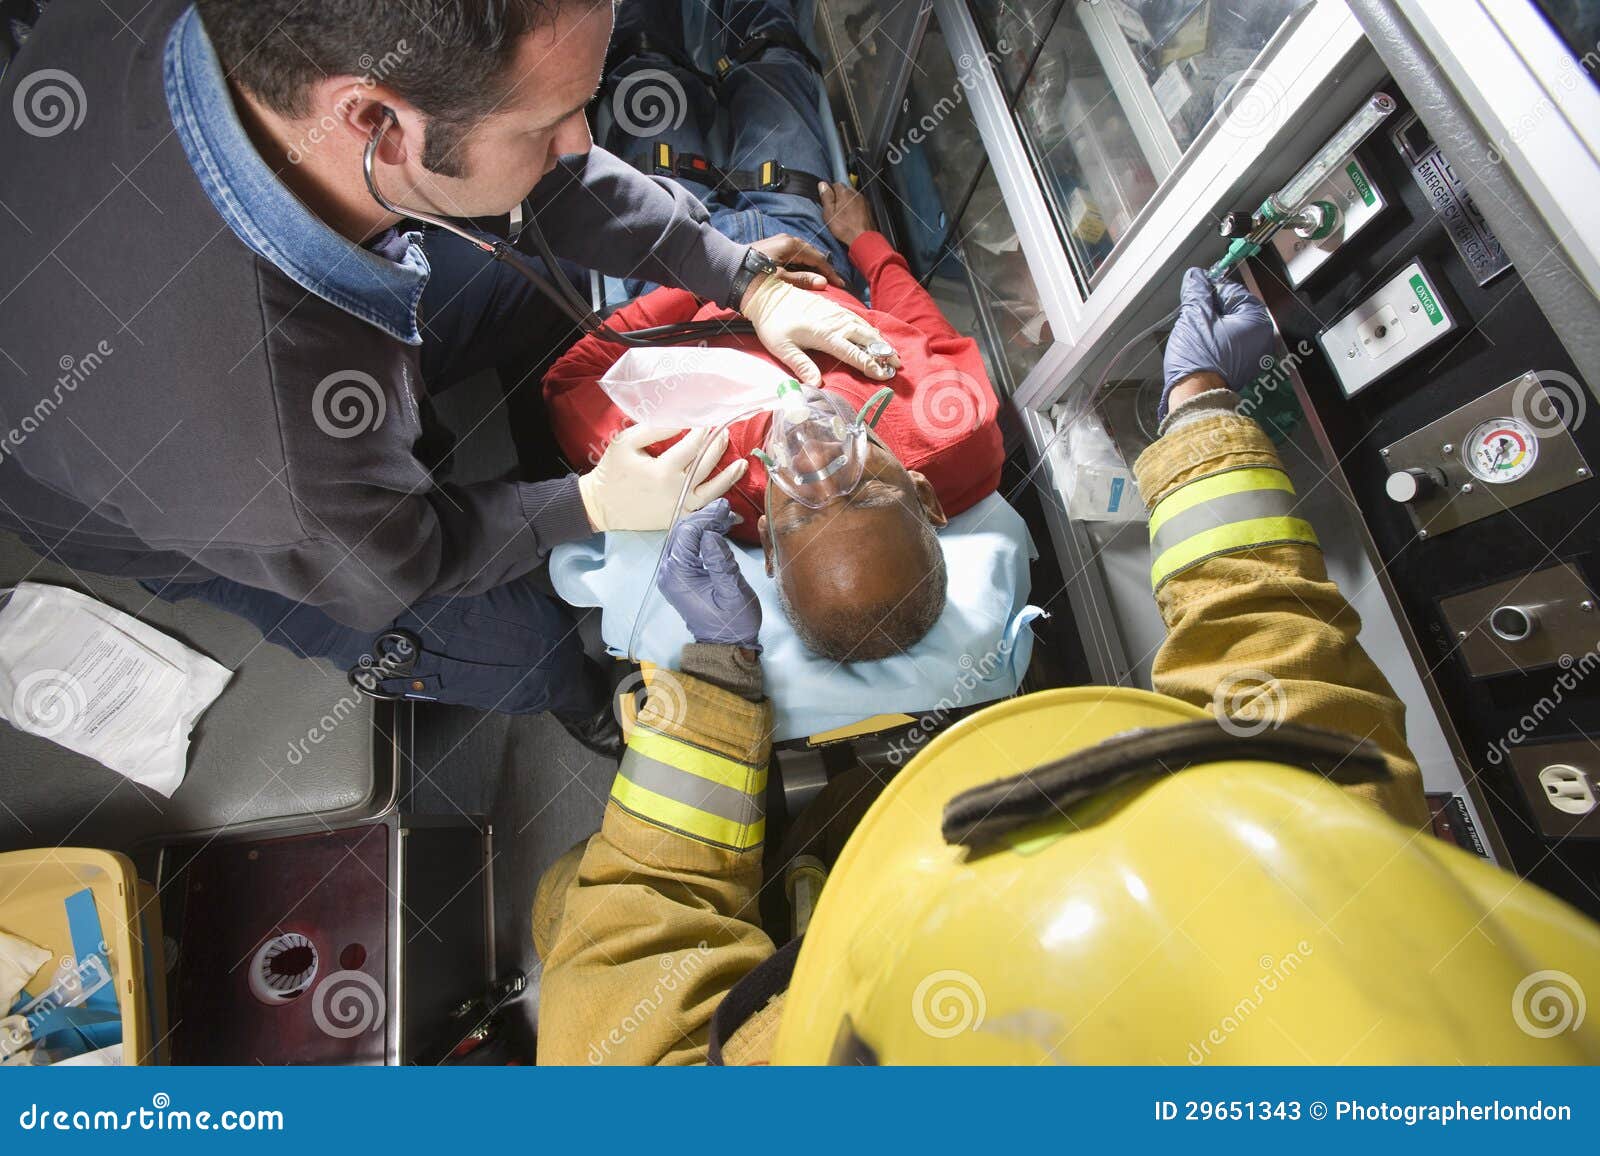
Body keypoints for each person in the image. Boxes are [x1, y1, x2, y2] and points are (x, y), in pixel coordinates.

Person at [529, 271, 1600, 1064]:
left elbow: (630, 948)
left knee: (562, 893)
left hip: (838, 913)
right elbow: (1291, 695)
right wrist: (1198, 412)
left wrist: (710, 679)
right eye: (816, 494)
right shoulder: (1405, 982)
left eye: (830, 491)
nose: (816, 458)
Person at [0, 0, 897, 751]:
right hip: (153, 486)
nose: (582, 141)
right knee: (523, 641)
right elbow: (393, 565)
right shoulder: (266, 451)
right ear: (375, 121)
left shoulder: (303, 59)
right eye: (550, 124)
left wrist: (746, 277)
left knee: (525, 277)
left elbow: (542, 184)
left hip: (212, 331)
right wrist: (586, 505)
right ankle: (585, 705)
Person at [545, 3, 1005, 660]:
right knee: (774, 58)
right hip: (809, 241)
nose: (820, 459)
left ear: (765, 542)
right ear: (923, 496)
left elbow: (570, 379)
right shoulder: (959, 431)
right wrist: (869, 242)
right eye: (863, 489)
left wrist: (718, 277)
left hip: (673, 264)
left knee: (645, 65)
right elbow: (920, 331)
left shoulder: (687, 473)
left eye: (804, 510)